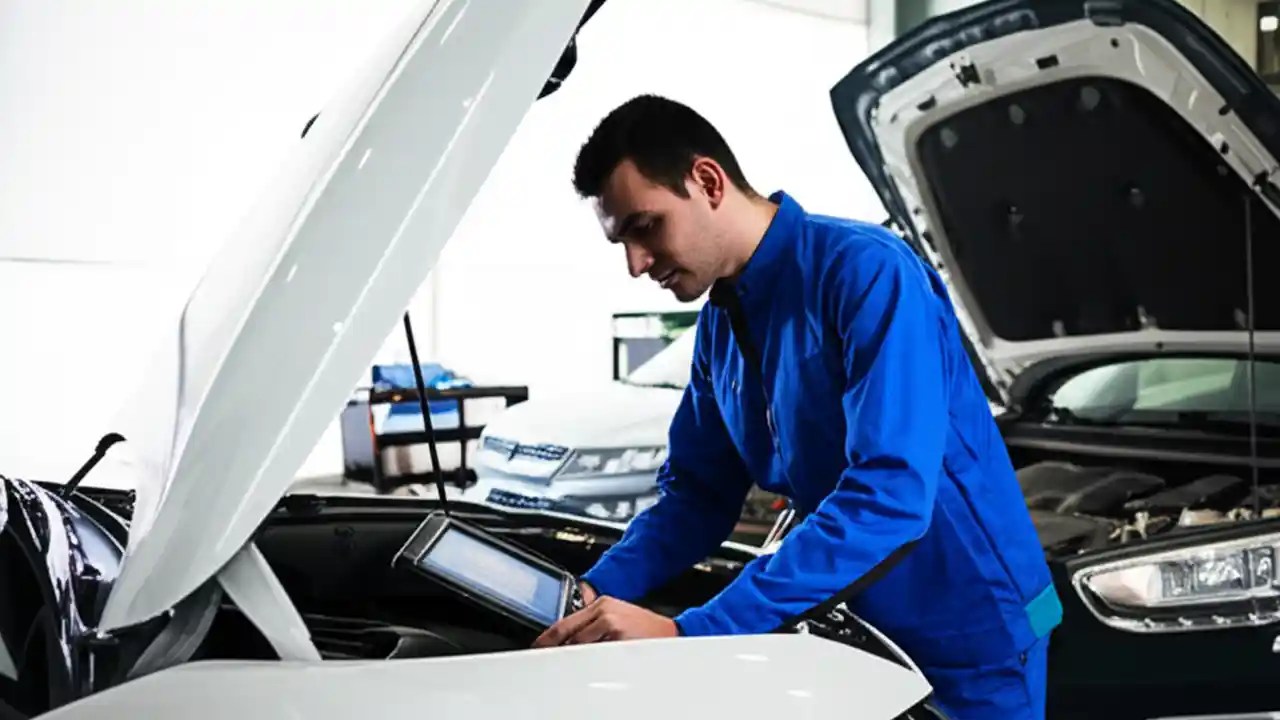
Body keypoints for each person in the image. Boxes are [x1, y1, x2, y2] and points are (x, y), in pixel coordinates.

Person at [533, 94, 1060, 719]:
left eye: (645, 227)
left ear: (706, 181)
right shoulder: (719, 328)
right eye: (621, 241)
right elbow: (698, 497)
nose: (635, 264)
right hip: (858, 628)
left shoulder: (867, 274)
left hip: (976, 630)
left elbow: (888, 496)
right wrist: (593, 590)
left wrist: (693, 633)